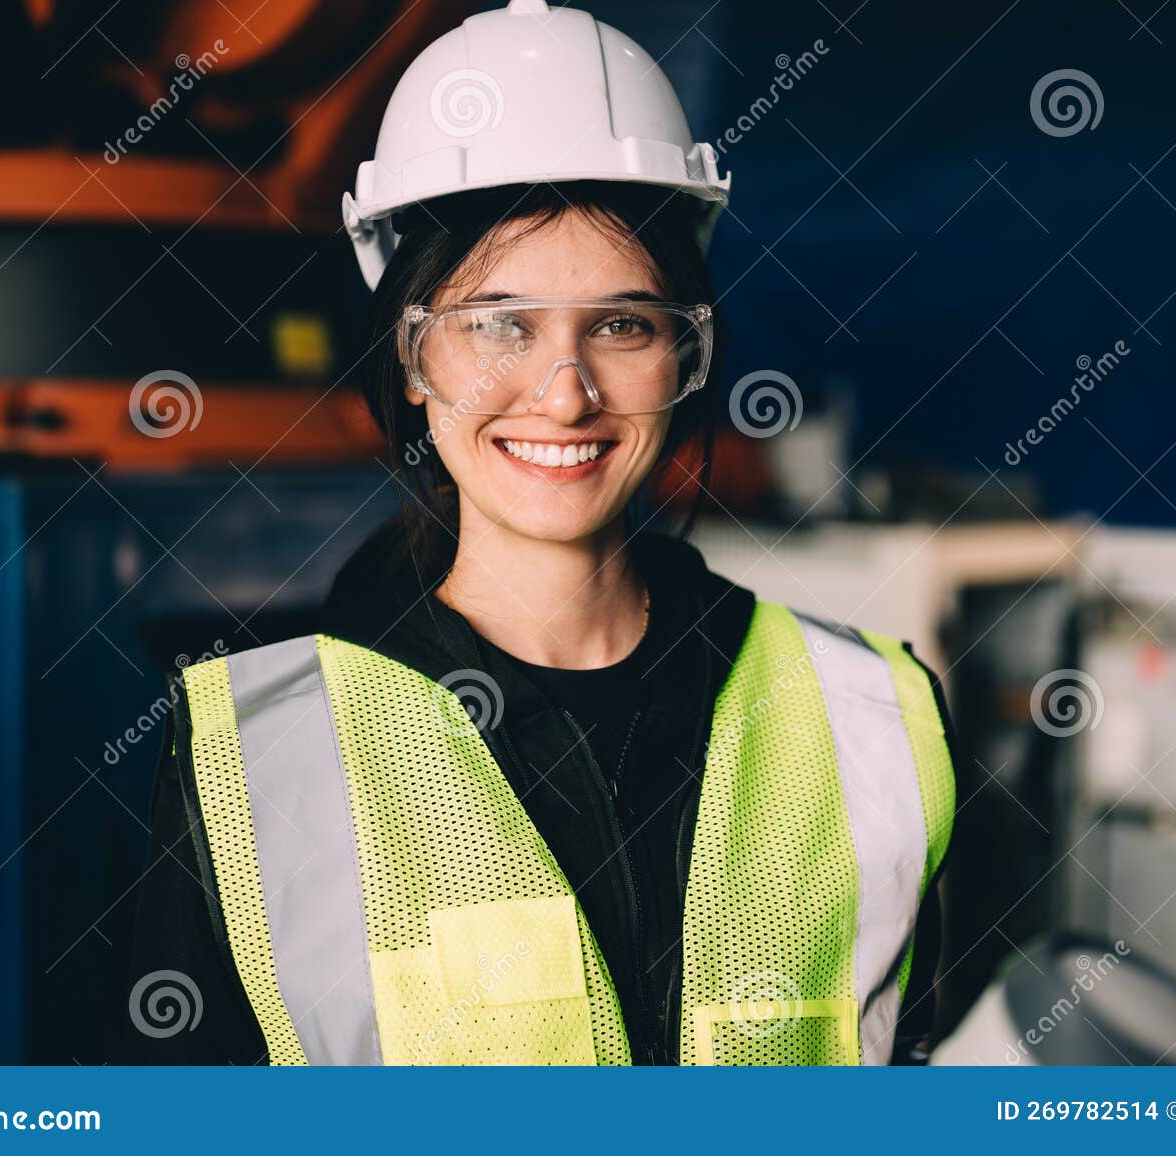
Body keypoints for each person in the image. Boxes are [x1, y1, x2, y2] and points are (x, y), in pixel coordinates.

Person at [125, 0, 955, 1066]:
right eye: (497, 325)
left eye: (621, 324)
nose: (564, 396)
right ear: (414, 361)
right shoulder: (256, 760)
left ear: (685, 351)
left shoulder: (872, 724)